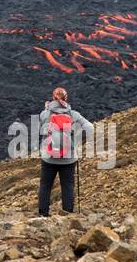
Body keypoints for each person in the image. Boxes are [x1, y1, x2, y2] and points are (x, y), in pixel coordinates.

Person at [36, 87, 95, 217]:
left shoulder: (45, 114)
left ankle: (43, 214)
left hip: (49, 156)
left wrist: (47, 109)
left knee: (45, 184)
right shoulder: (74, 114)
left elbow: (41, 126)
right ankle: (67, 214)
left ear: (53, 98)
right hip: (69, 157)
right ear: (66, 98)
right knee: (67, 185)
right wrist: (78, 141)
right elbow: (90, 128)